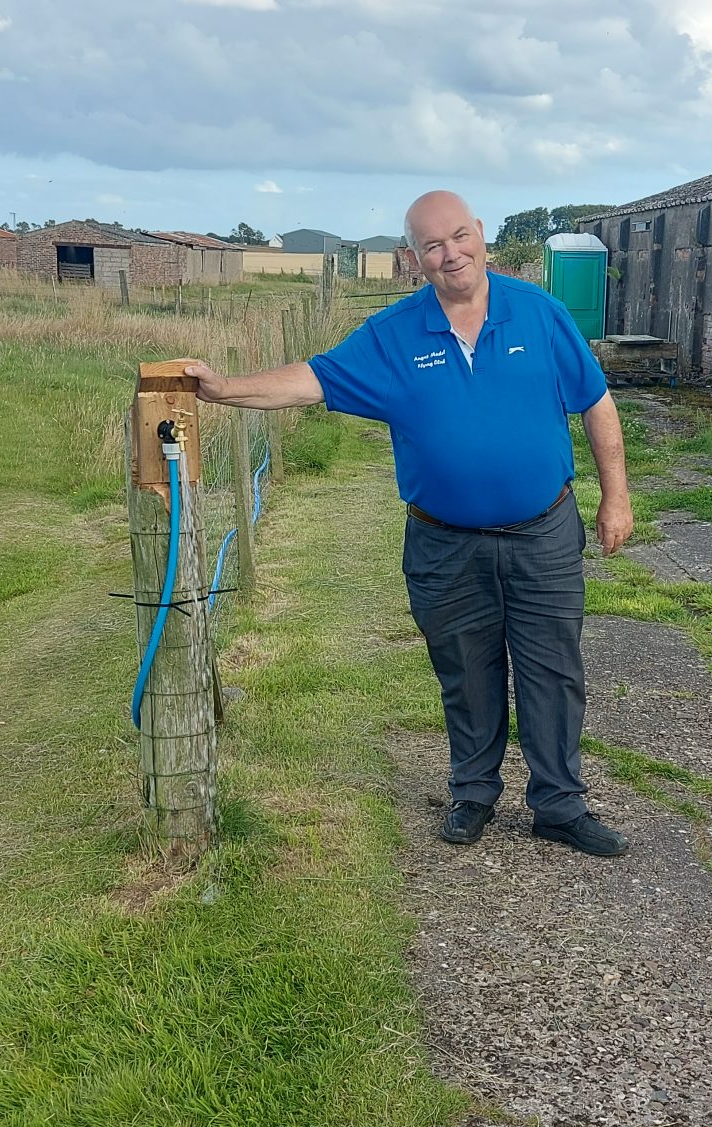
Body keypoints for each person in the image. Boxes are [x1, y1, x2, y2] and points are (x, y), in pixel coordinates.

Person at [182, 190, 635, 857]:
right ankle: (474, 792)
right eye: (433, 244)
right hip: (444, 544)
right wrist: (224, 389)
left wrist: (615, 498)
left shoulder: (540, 315)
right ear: (414, 257)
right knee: (464, 669)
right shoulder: (394, 336)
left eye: (459, 236)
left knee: (553, 669)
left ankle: (559, 804)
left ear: (480, 234)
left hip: (543, 533)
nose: (451, 253)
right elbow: (309, 380)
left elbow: (597, 404)